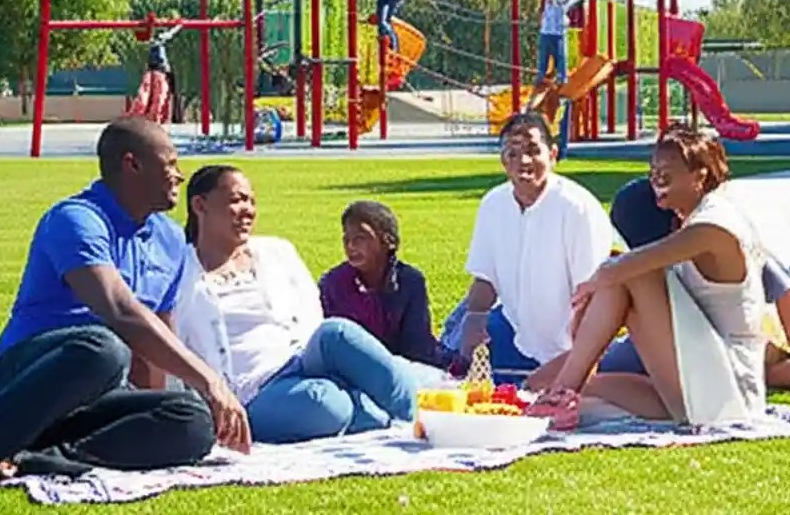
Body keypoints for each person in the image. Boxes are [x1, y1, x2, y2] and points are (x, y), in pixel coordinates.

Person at [0, 117, 248, 495]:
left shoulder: (170, 239)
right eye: (170, 164)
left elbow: (157, 334)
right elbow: (120, 312)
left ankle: (30, 458)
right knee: (104, 347)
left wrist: (157, 402)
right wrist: (209, 379)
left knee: (191, 417)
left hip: (101, 392)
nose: (180, 175)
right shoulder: (76, 220)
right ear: (132, 164)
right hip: (29, 379)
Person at [524, 124, 771, 430]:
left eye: (666, 172)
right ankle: (559, 392)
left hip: (727, 390)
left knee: (631, 270)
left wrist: (591, 290)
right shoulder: (691, 220)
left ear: (700, 176)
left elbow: (628, 267)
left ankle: (559, 398)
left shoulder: (714, 226)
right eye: (652, 171)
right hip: (694, 380)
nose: (655, 180)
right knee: (538, 382)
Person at [173, 166, 443, 444]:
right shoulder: (180, 274)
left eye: (252, 201)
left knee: (335, 333)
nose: (248, 210)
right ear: (200, 205)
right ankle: (372, 407)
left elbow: (310, 310)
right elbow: (171, 342)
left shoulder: (276, 252)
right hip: (256, 391)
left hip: (304, 359)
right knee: (327, 403)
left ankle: (420, 416)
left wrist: (319, 362)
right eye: (237, 200)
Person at [596, 176, 790, 403]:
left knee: (604, 370)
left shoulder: (713, 239)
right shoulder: (692, 242)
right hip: (693, 341)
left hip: (716, 344)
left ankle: (773, 372)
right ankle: (769, 373)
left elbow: (784, 289)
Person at [446, 111, 616, 385]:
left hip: (573, 345)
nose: (523, 162)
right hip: (515, 332)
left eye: (532, 151)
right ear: (503, 161)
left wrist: (580, 363)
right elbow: (485, 278)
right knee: (454, 346)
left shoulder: (578, 208)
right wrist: (474, 321)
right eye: (512, 154)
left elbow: (592, 297)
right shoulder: (493, 204)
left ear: (553, 154)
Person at [320, 200, 468, 376]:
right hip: (350, 372)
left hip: (404, 368)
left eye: (360, 238)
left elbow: (417, 347)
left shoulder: (409, 282)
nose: (350, 246)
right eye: (346, 239)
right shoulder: (333, 284)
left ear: (388, 241)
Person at [530, 0, 590, 100]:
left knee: (558, 59)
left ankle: (557, 78)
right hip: (551, 34)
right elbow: (565, 6)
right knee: (553, 60)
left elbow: (565, 12)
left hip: (553, 33)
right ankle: (552, 79)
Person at [128, 42, 173, 125]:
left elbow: (144, 100)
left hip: (158, 71)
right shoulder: (156, 78)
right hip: (159, 71)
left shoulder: (154, 77)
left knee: (156, 97)